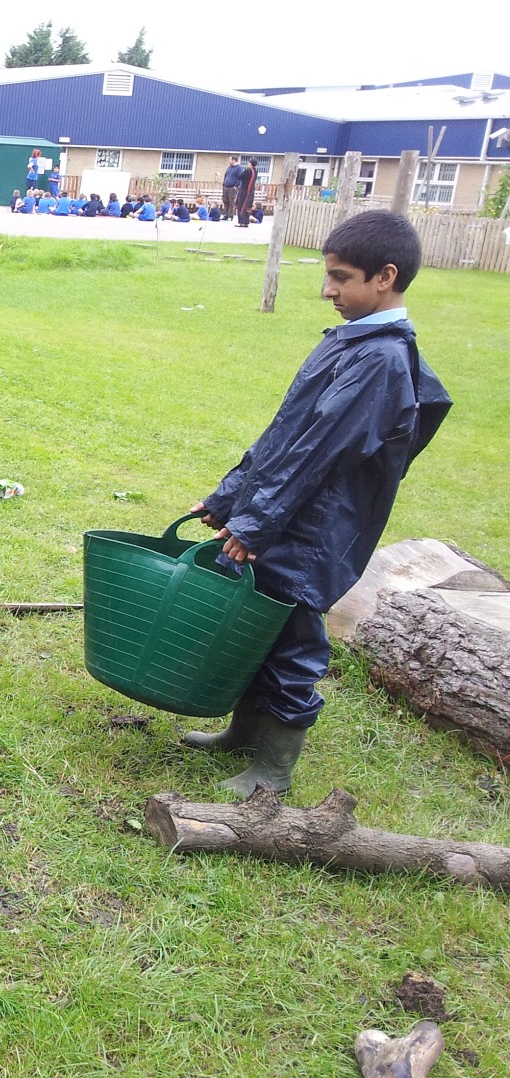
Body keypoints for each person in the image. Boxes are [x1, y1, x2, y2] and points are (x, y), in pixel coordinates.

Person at [183, 212, 452, 797]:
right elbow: (286, 433)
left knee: (292, 640)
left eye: (341, 278)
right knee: (255, 624)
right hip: (286, 514)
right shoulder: (351, 342)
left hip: (316, 532)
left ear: (386, 277)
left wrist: (256, 521)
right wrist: (231, 495)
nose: (327, 289)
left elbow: (320, 453)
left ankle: (273, 772)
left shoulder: (381, 361)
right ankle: (243, 733)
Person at [236, 158, 259, 227]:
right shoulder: (255, 171)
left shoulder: (248, 171)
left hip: (244, 191)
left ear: (251, 164)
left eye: (248, 163)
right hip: (251, 191)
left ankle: (241, 222)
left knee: (242, 206)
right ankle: (246, 222)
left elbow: (240, 177)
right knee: (247, 207)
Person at [221, 155, 241, 220]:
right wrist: (224, 183)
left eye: (230, 160)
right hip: (225, 186)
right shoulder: (229, 167)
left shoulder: (238, 168)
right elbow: (226, 175)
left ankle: (230, 215)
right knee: (225, 201)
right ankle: (225, 215)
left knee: (231, 201)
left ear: (234, 160)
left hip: (232, 188)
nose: (229, 161)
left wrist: (236, 186)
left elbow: (240, 178)